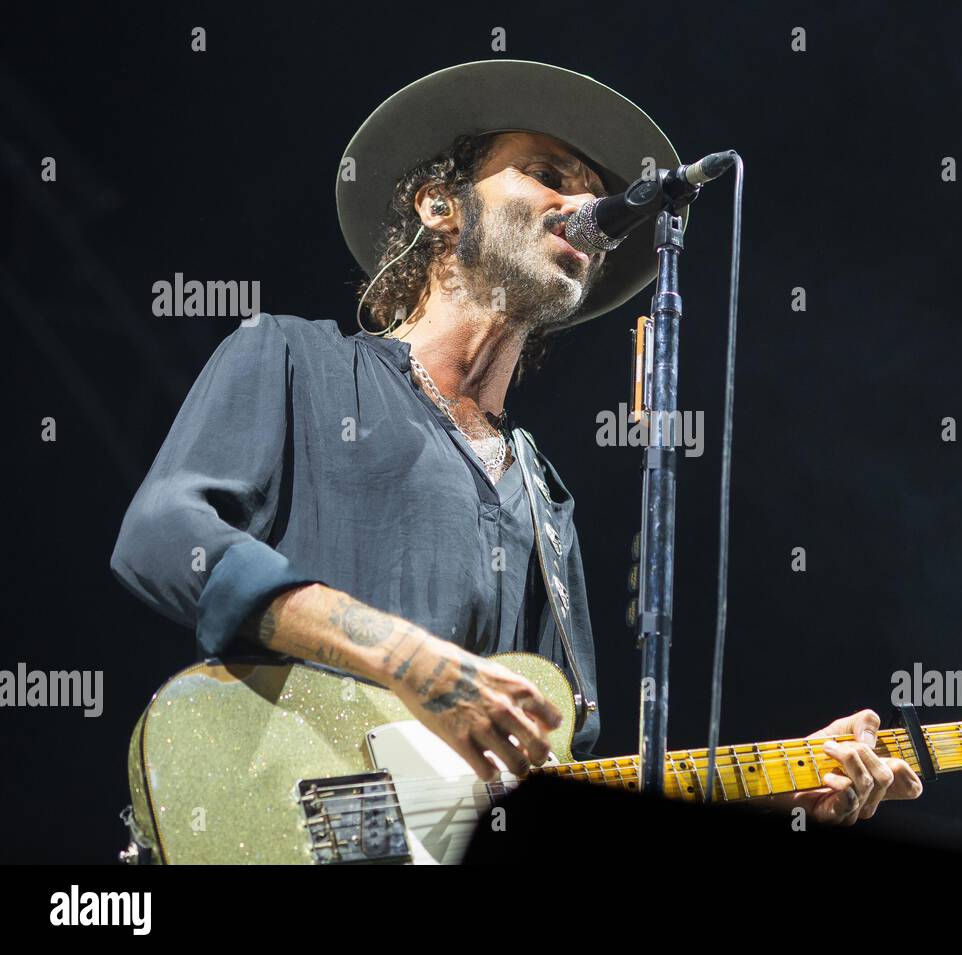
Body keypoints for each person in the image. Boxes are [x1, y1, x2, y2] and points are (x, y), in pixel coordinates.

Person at [110, 60, 920, 826]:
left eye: (596, 196)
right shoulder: (293, 358)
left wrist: (777, 795)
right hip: (270, 813)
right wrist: (412, 661)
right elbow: (162, 537)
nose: (583, 209)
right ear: (440, 205)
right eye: (548, 174)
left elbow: (547, 778)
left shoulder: (543, 495)